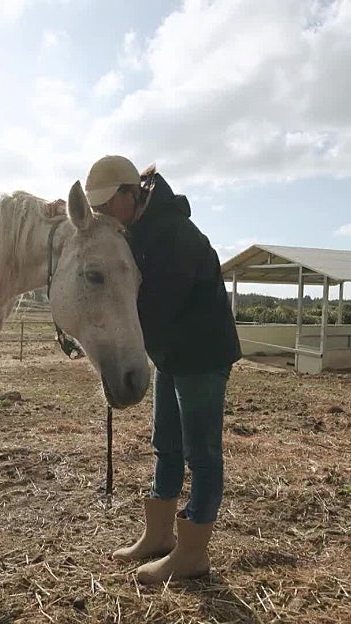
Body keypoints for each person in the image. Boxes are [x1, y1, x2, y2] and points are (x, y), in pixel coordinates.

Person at [82, 155, 242, 584]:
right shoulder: (142, 228)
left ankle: (192, 554)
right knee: (165, 444)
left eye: (102, 205)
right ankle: (157, 536)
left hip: (202, 355)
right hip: (172, 353)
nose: (98, 214)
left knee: (202, 455)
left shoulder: (173, 235)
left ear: (128, 195)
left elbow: (154, 309)